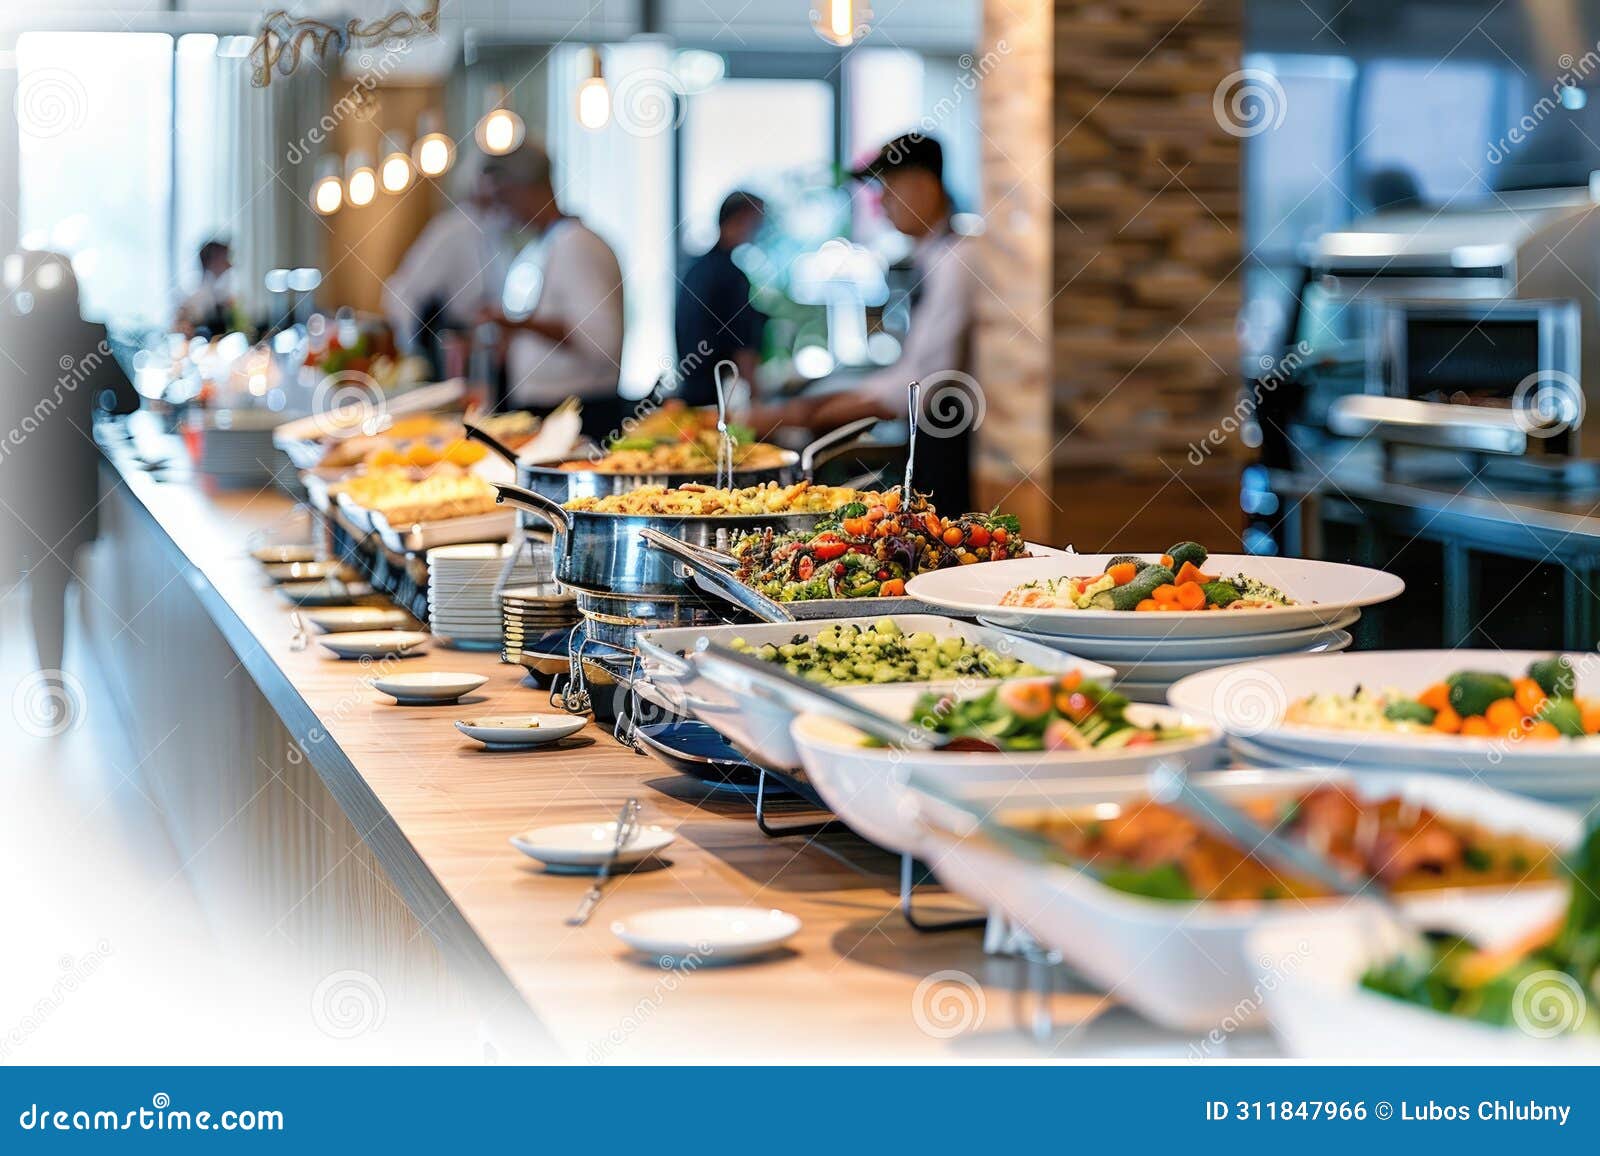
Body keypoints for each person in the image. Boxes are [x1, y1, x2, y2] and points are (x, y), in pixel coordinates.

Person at [756, 133, 979, 511]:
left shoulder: (960, 261)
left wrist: (810, 414)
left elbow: (925, 383)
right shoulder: (934, 257)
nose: (883, 203)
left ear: (924, 186)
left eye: (890, 190)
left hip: (950, 437)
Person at [0, 250, 139, 681]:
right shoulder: (86, 335)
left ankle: (49, 679)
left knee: (36, 583)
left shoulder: (10, 333)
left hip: (16, 475)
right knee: (52, 583)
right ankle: (52, 679)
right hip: (66, 481)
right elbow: (128, 400)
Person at [478, 142, 626, 440]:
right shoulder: (545, 244)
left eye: (504, 198)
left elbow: (599, 339)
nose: (501, 211)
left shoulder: (576, 244)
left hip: (578, 412)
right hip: (554, 408)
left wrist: (516, 323)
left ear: (528, 189)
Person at [382, 161, 511, 376]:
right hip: (450, 352)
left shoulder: (496, 233)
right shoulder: (450, 231)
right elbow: (403, 292)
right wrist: (415, 358)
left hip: (485, 351)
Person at [674, 191, 767, 405]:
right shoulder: (730, 276)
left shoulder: (696, 269)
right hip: (715, 398)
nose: (759, 230)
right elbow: (742, 344)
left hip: (691, 391)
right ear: (742, 217)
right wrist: (757, 397)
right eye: (758, 221)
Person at [175, 239, 237, 336]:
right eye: (225, 256)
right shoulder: (194, 294)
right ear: (214, 260)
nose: (230, 263)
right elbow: (181, 326)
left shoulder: (226, 289)